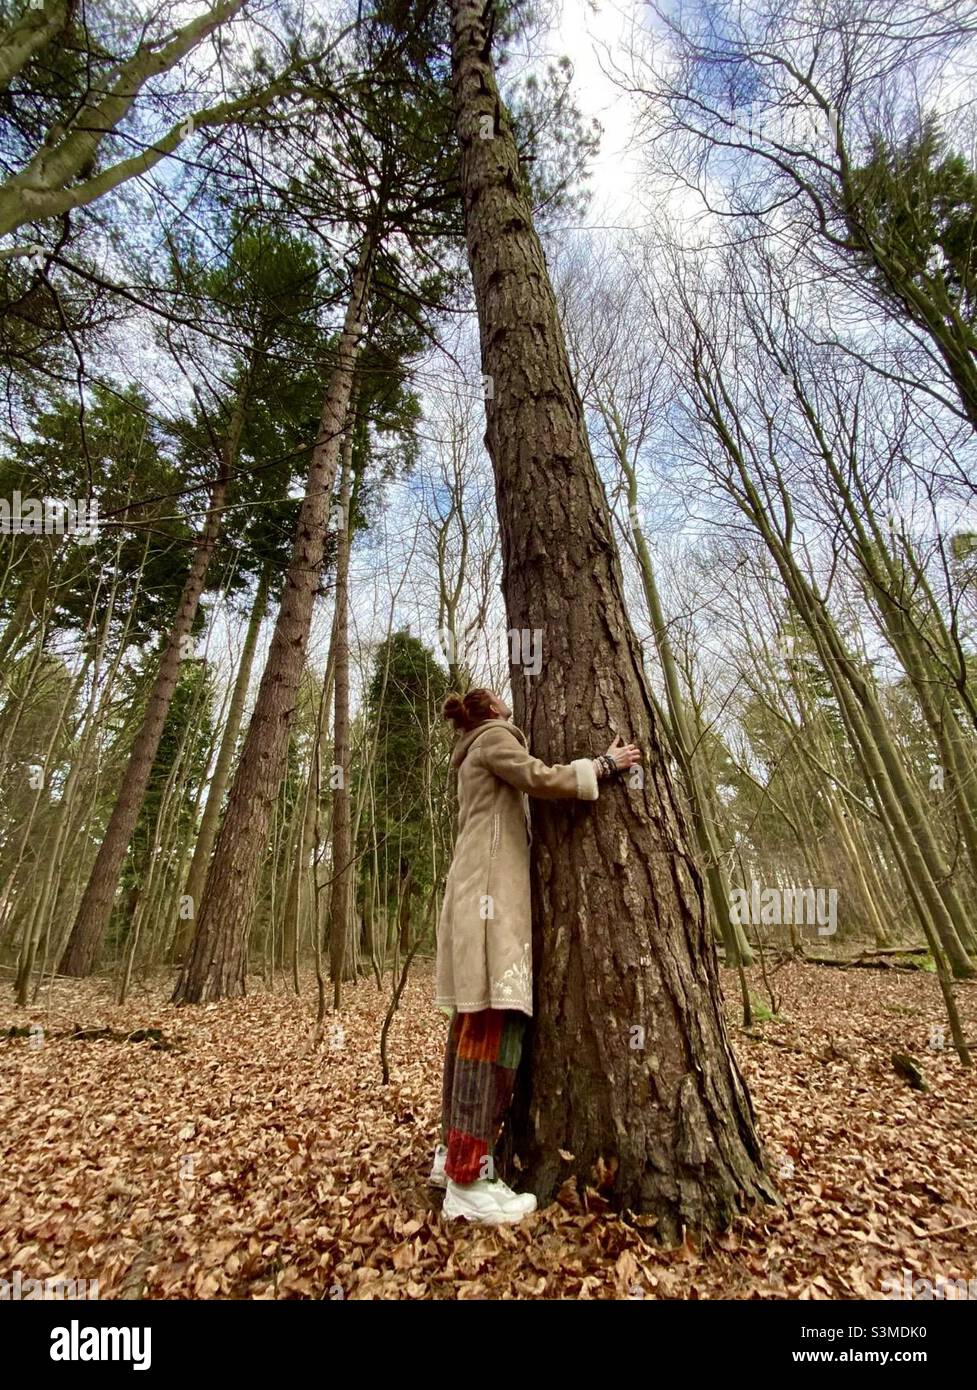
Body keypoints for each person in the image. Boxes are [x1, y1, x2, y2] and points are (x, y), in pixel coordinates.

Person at [429, 686, 641, 1224]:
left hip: (476, 897)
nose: (509, 699)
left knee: (473, 1026)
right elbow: (540, 778)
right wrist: (602, 765)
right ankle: (467, 1179)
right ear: (492, 710)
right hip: (487, 904)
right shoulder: (495, 737)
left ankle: (454, 1156)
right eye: (501, 696)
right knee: (489, 1028)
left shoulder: (474, 747)